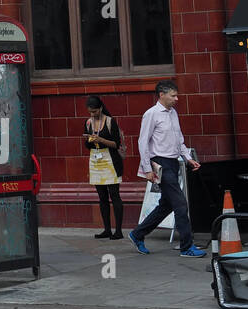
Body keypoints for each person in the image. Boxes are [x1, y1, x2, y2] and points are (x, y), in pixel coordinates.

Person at [129, 80, 205, 258]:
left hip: (173, 162)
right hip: (160, 163)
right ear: (161, 95)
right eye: (173, 95)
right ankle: (187, 247)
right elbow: (143, 142)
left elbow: (179, 138)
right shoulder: (151, 114)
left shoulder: (173, 113)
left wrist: (188, 158)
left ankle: (138, 234)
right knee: (180, 203)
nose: (176, 99)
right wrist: (147, 168)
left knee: (166, 205)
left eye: (176, 95)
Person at [82, 95, 123, 240]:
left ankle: (118, 230)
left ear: (100, 108)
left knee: (114, 194)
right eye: (90, 112)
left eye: (94, 111)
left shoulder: (110, 121)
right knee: (102, 197)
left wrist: (101, 140)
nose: (92, 114)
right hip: (95, 159)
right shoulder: (88, 123)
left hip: (110, 160)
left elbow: (116, 144)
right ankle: (107, 229)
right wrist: (88, 140)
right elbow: (87, 146)